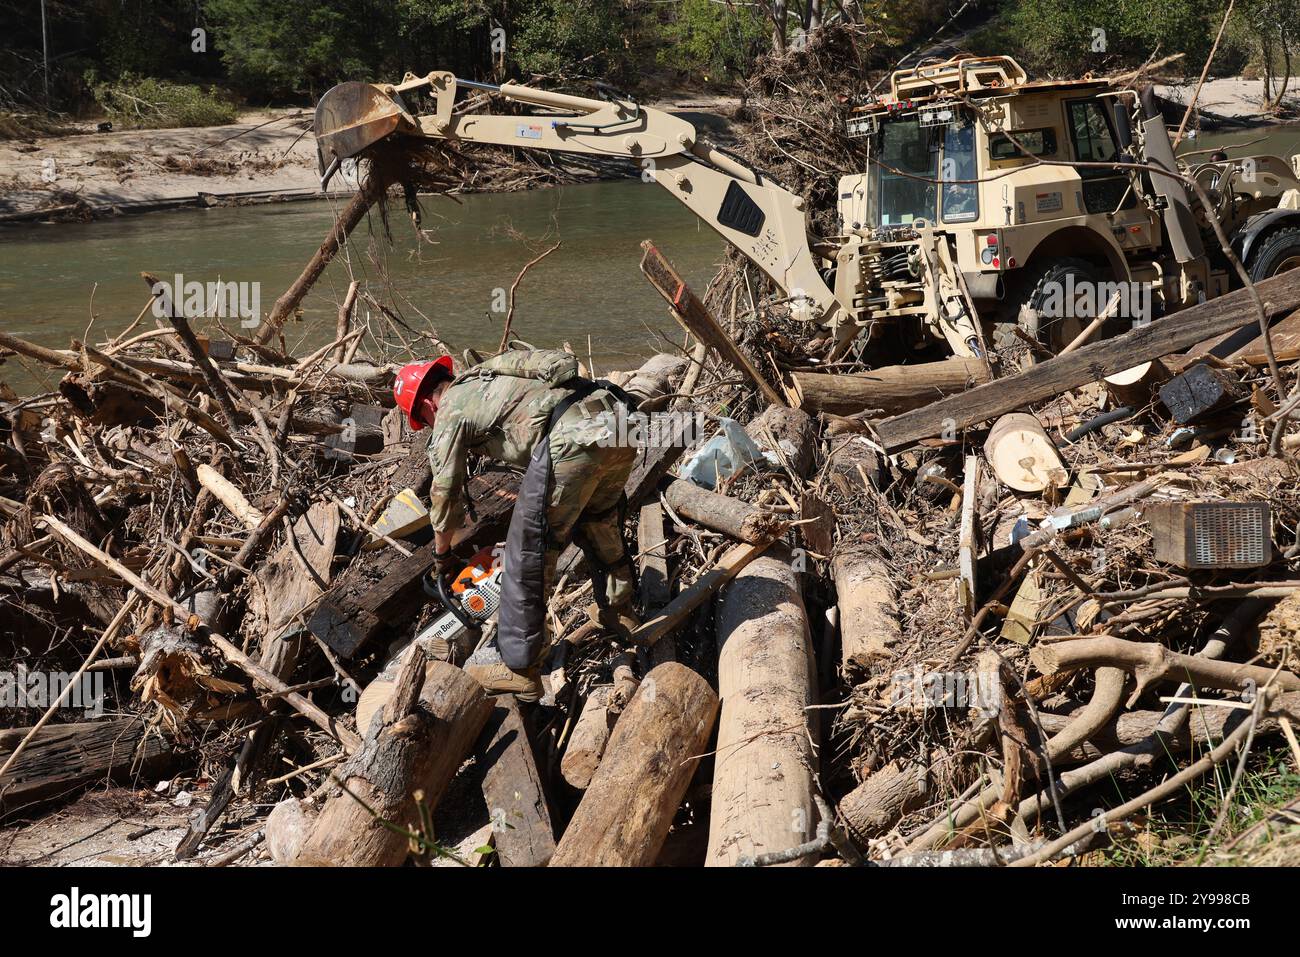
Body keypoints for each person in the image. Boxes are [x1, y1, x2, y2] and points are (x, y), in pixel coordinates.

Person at [393, 350, 640, 701]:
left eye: (423, 421)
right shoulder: (485, 377)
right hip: (619, 419)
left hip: (572, 436)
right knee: (599, 520)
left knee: (531, 546)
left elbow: (445, 490)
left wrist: (441, 555)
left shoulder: (450, 410)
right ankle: (620, 612)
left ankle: (519, 667)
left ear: (426, 407)